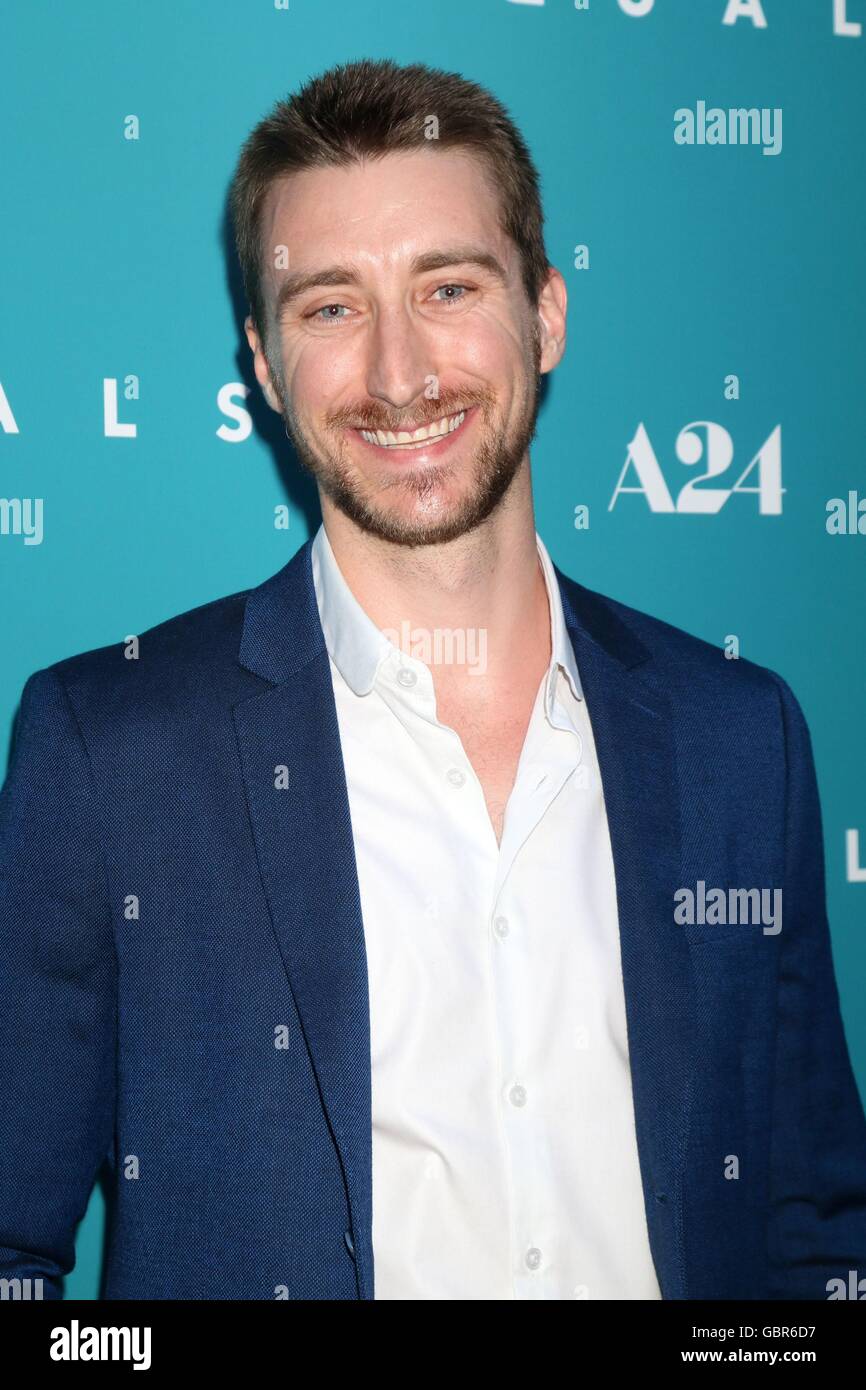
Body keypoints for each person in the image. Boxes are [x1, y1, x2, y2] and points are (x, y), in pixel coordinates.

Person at [2, 57, 865, 1302]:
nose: (400, 374)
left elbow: (810, 1227)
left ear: (546, 312)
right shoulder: (109, 748)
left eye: (447, 286)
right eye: (332, 308)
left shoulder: (741, 735)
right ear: (259, 360)